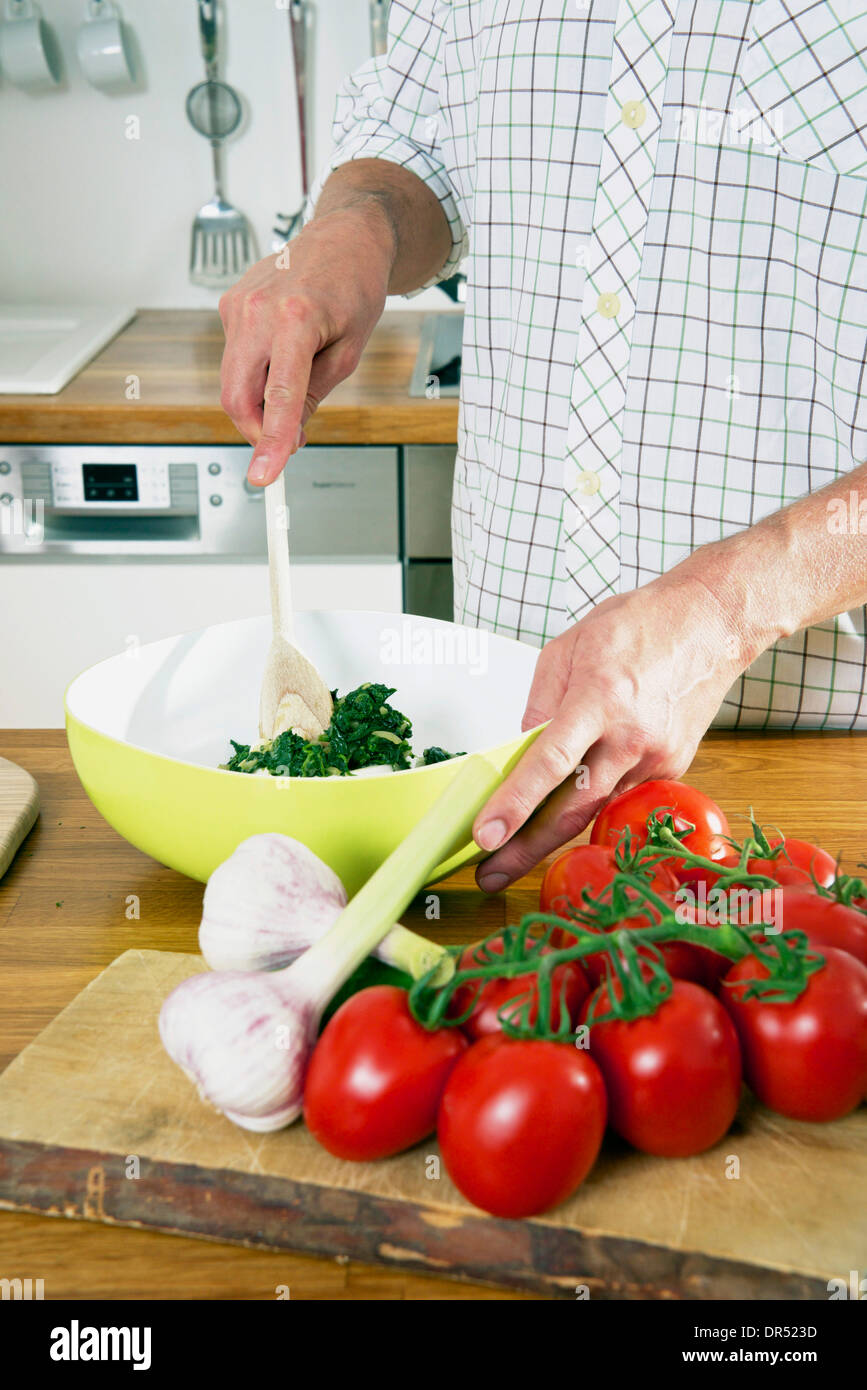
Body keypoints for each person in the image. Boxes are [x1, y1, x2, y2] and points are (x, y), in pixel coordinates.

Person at [218, 1, 867, 893]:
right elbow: (421, 145)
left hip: (807, 783)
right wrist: (358, 230)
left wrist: (725, 612)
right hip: (495, 781)